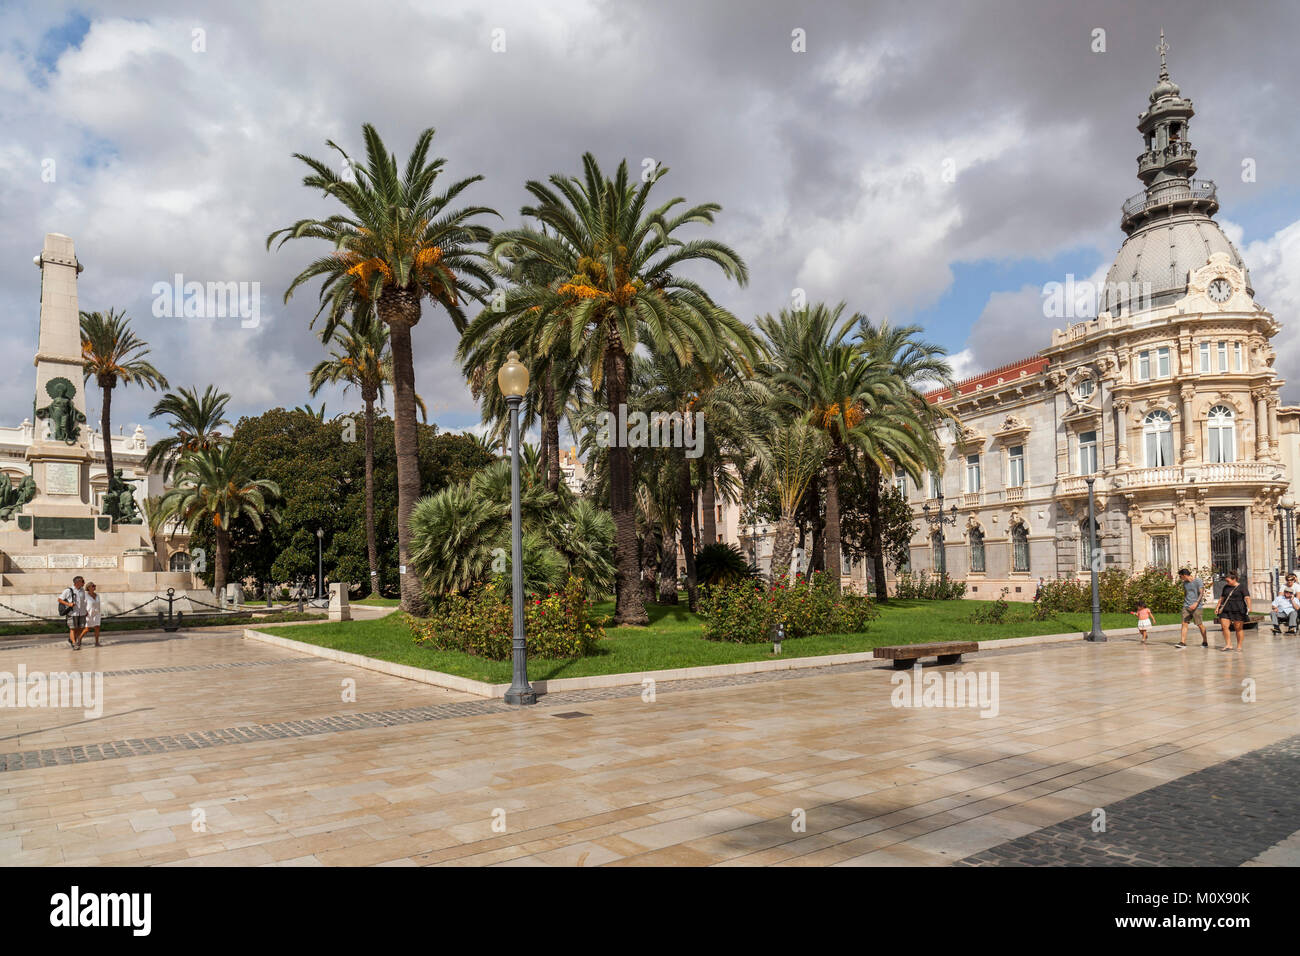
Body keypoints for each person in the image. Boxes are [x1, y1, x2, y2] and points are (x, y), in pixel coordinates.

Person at [1215, 570, 1250, 652]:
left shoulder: (1242, 587)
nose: (1227, 582)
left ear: (1234, 579)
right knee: (1224, 626)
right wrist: (1217, 607)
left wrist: (1249, 607)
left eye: (1228, 581)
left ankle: (1239, 646)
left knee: (1238, 628)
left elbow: (1247, 597)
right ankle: (1228, 644)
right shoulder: (1226, 587)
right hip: (1226, 609)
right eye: (1226, 581)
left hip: (1238, 609)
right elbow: (1222, 598)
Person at [1175, 568, 1208, 648]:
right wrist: (1186, 602)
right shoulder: (1185, 583)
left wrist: (1196, 603)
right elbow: (1186, 593)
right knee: (1184, 623)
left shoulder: (1198, 581)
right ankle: (1182, 642)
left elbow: (1201, 593)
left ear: (1185, 575)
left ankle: (1205, 641)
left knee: (1199, 624)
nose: (1180, 578)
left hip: (1197, 606)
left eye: (1180, 576)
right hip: (1186, 606)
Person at [58, 575, 87, 650]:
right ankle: (74, 643)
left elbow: (83, 601)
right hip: (72, 613)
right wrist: (68, 604)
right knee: (73, 628)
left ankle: (72, 639)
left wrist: (85, 610)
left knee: (80, 628)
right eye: (82, 581)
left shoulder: (82, 590)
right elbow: (60, 599)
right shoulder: (68, 590)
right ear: (77, 582)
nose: (84, 583)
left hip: (81, 612)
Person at [84, 582, 102, 647]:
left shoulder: (97, 595)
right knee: (87, 629)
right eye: (93, 586)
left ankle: (97, 642)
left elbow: (98, 604)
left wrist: (100, 612)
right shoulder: (85, 595)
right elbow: (83, 604)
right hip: (89, 613)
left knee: (97, 627)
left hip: (97, 613)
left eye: (95, 586)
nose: (94, 587)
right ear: (88, 587)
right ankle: (79, 640)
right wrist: (84, 611)